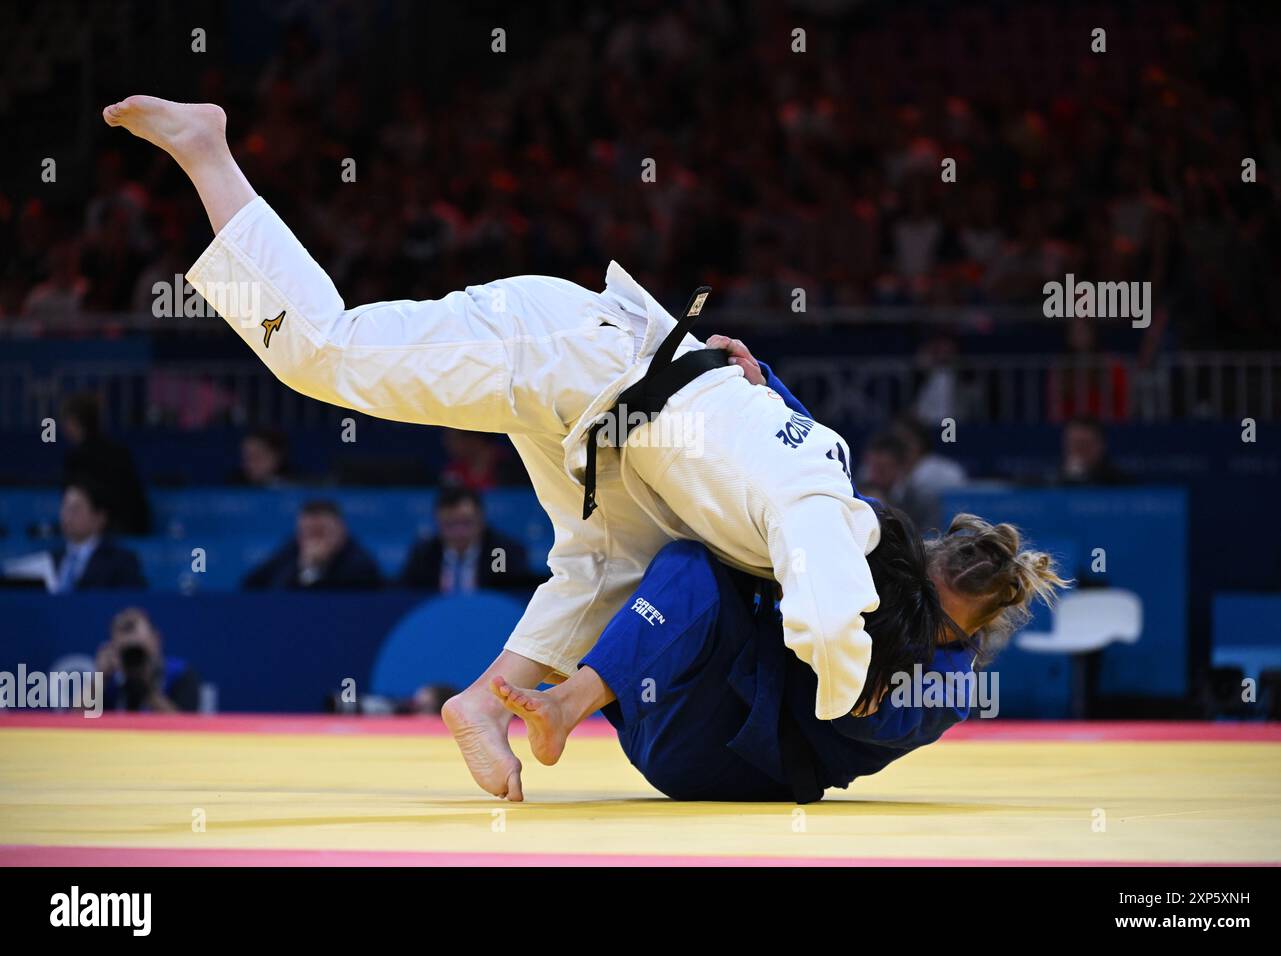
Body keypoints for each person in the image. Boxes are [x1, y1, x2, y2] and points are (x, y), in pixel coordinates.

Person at [103, 95, 1000, 802]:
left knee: (602, 572)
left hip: (611, 438)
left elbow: (786, 467)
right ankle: (207, 150)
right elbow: (831, 614)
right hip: (572, 355)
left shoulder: (827, 477)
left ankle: (481, 707)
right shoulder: (820, 509)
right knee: (327, 355)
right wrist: (849, 680)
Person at [492, 510, 1067, 802]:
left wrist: (865, 669)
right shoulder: (879, 560)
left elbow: (855, 711)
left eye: (936, 621)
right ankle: (566, 704)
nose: (915, 612)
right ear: (924, 559)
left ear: (972, 632)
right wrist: (760, 379)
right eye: (919, 591)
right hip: (669, 710)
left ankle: (565, 706)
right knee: (692, 558)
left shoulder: (949, 686)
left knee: (712, 579)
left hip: (733, 761)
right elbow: (813, 479)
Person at [399, 486, 539, 593]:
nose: (459, 532)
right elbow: (408, 597)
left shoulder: (500, 551)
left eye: (466, 523)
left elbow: (508, 593)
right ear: (438, 523)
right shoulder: (424, 554)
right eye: (450, 524)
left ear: (481, 520)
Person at [60, 392, 152, 534]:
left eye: (67, 422)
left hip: (118, 529)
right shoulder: (119, 451)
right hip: (129, 526)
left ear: (75, 422)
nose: (64, 429)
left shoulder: (78, 459)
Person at [242, 499, 382, 590]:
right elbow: (252, 585)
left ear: (341, 530)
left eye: (321, 532)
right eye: (307, 532)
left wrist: (311, 569)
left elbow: (324, 600)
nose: (314, 540)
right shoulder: (290, 550)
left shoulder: (360, 563)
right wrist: (305, 566)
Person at [43, 481, 147, 592]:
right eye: (64, 507)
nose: (66, 515)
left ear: (100, 517)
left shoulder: (122, 562)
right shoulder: (49, 560)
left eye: (75, 509)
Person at [96, 607, 201, 713]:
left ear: (156, 640)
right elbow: (80, 720)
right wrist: (99, 680)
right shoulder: (110, 680)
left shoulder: (179, 675)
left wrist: (148, 691)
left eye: (138, 651)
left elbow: (185, 726)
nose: (133, 658)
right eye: (127, 652)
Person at [1054, 416, 1130, 486]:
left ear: (1101, 445)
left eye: (1084, 444)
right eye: (1073, 444)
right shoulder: (1052, 481)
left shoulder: (1120, 482)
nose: (1078, 450)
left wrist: (1082, 479)